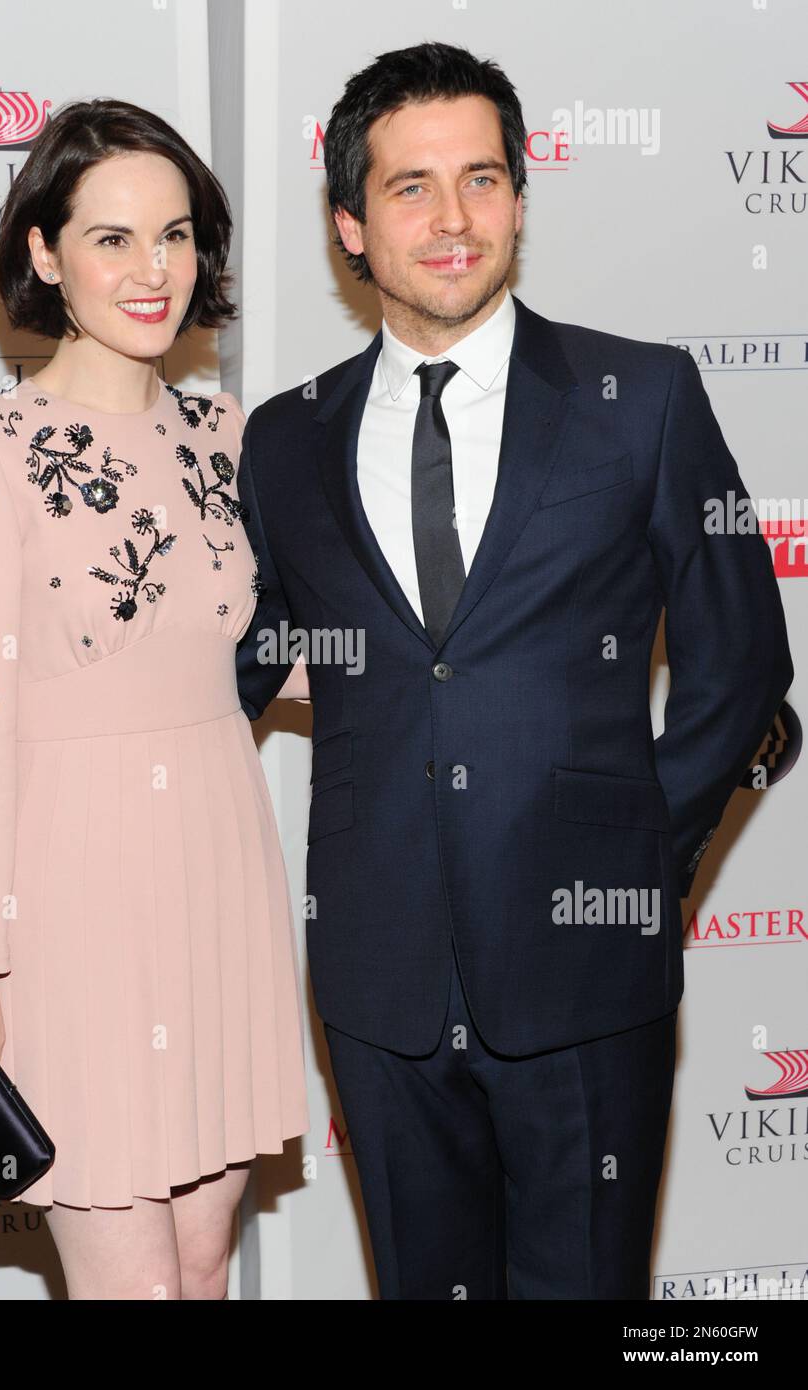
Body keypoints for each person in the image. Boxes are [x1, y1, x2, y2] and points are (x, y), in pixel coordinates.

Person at [229, 43, 792, 1298]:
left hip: (588, 970)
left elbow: (741, 655)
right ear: (349, 225)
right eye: (411, 188)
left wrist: (644, 847)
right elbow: (240, 660)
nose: (452, 219)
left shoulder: (635, 396)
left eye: (481, 179)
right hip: (379, 978)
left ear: (521, 199)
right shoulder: (283, 437)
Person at [0, 97, 309, 1301]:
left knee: (199, 1276)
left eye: (176, 235)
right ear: (44, 252)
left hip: (218, 875)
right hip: (69, 901)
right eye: (114, 238)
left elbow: (273, 657)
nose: (154, 271)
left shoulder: (232, 437)